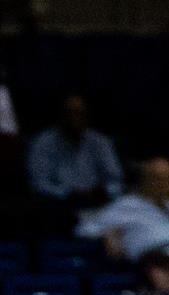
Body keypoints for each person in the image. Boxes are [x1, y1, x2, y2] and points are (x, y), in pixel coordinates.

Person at [79, 157, 169, 263]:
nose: (163, 184)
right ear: (144, 180)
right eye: (157, 179)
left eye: (167, 179)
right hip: (144, 266)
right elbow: (84, 229)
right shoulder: (126, 206)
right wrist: (107, 234)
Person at [28, 92, 124, 231]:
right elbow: (39, 182)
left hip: (96, 204)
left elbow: (116, 179)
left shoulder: (100, 142)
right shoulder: (44, 142)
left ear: (87, 116)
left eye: (79, 113)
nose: (75, 118)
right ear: (61, 115)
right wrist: (66, 193)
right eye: (70, 113)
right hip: (58, 206)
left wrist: (104, 191)